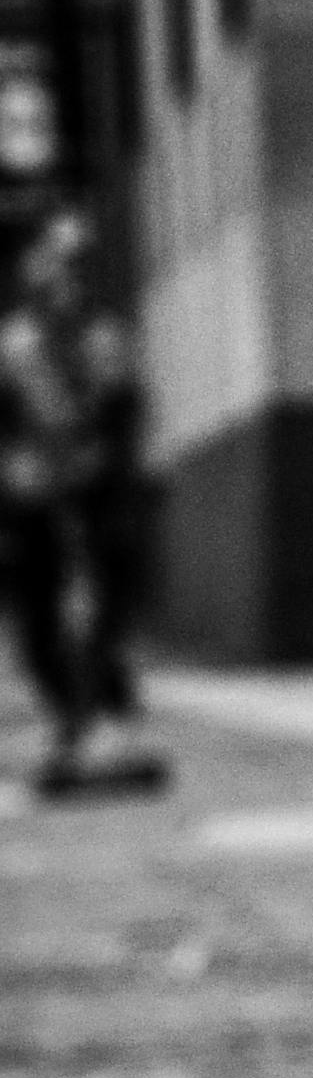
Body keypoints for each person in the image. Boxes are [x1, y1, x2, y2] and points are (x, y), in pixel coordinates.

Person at [0, 205, 162, 794]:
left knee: (103, 614)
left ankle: (95, 730)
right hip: (32, 508)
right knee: (41, 625)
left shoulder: (106, 342)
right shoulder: (16, 351)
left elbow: (127, 416)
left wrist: (109, 465)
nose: (60, 278)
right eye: (48, 263)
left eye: (70, 266)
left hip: (99, 501)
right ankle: (83, 726)